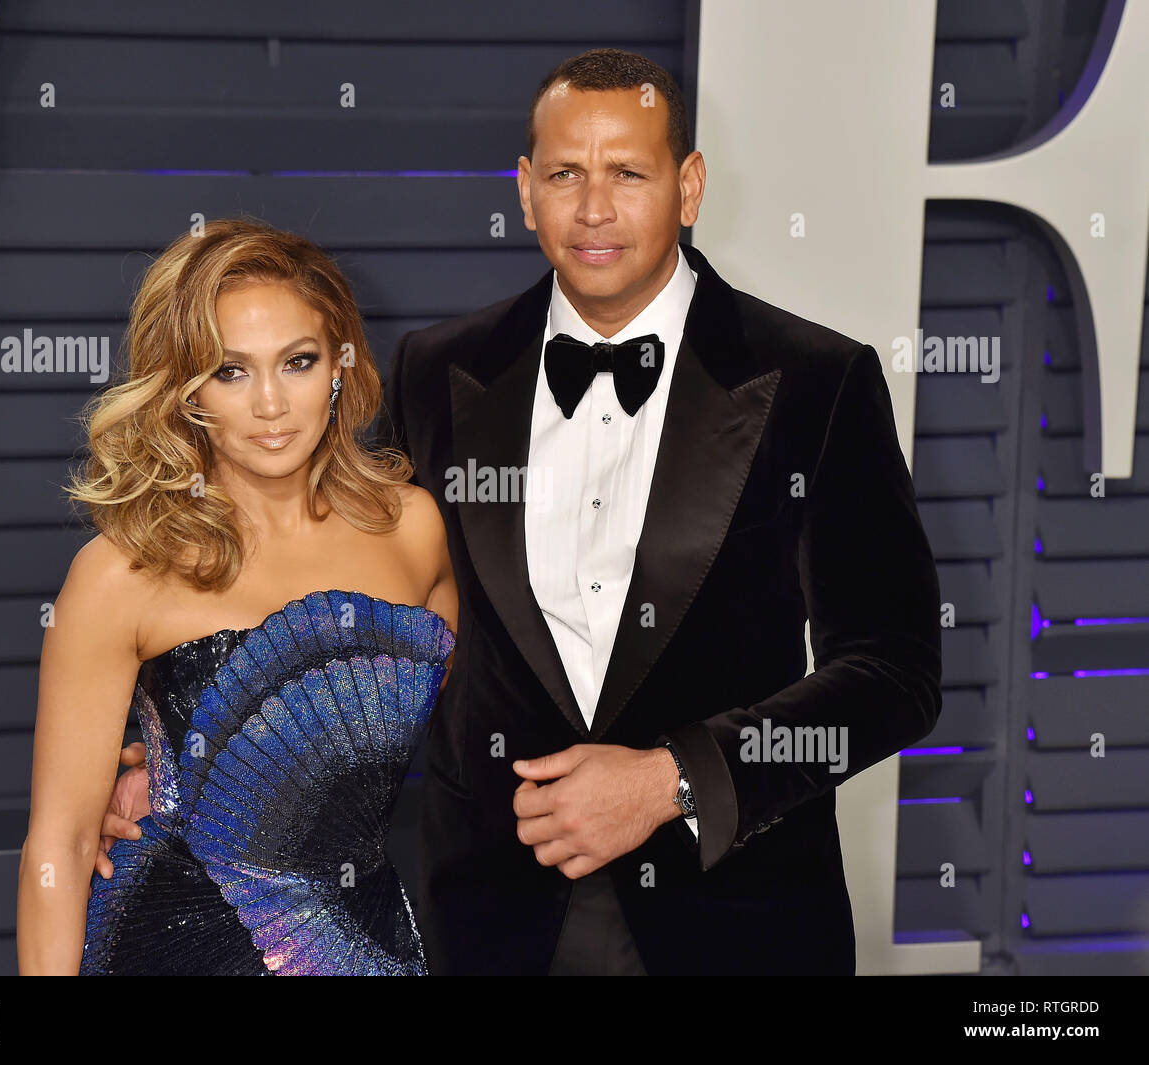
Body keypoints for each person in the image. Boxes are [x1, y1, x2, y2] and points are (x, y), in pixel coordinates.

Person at [98, 47, 942, 976]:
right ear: (525, 188)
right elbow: (336, 589)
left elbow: (894, 671)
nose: (593, 208)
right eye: (564, 174)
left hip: (738, 922)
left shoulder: (820, 383)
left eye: (628, 172)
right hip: (489, 926)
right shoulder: (436, 370)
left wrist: (673, 779)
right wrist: (183, 764)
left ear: (689, 185)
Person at [16, 219, 457, 975]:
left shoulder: (409, 527)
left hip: (368, 942)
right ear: (186, 391)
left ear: (340, 366)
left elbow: (441, 715)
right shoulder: (122, 572)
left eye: (298, 362)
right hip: (172, 945)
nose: (271, 404)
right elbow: (57, 849)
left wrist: (188, 759)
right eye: (230, 371)